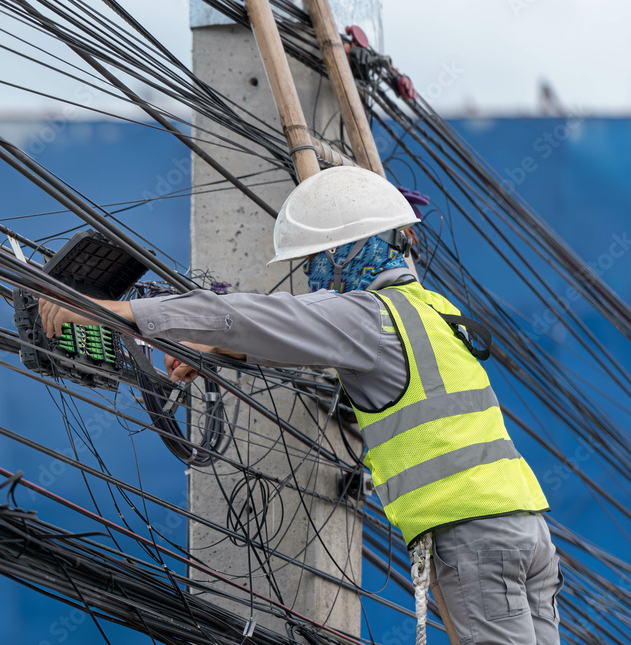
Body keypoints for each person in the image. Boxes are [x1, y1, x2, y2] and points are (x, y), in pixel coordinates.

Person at [38, 166, 563, 644]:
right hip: (527, 532)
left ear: (345, 251)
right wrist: (216, 349)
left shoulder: (367, 317)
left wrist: (115, 312)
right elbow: (301, 345)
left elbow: (254, 317)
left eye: (315, 259)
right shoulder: (430, 310)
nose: (313, 276)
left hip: (471, 534)